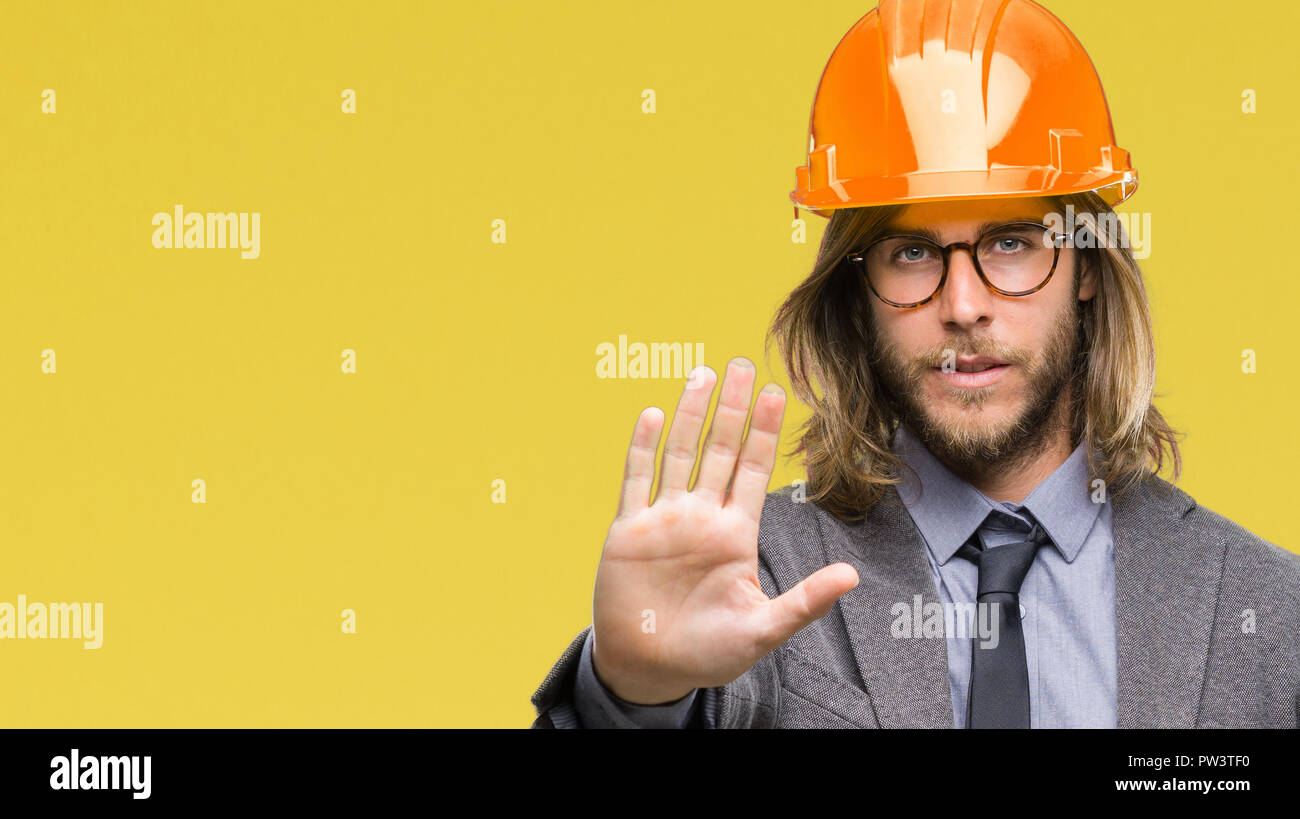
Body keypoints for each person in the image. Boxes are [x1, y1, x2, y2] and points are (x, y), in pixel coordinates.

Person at [530, 0, 1300, 728]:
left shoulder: (1265, 606)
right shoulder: (754, 569)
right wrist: (634, 693)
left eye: (1010, 242)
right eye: (911, 252)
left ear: (1088, 264)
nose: (962, 304)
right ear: (855, 292)